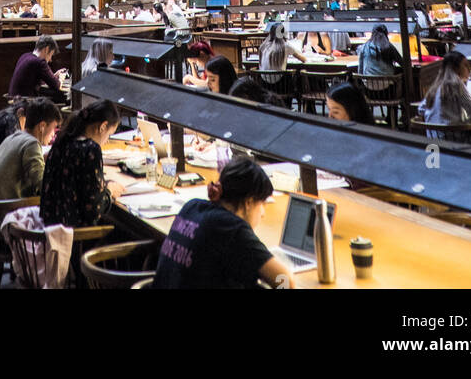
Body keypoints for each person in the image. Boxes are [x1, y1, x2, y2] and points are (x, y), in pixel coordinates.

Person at [152, 156, 294, 290]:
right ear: (249, 202)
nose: (263, 214)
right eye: (262, 203)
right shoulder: (231, 229)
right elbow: (286, 282)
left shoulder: (192, 207)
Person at [40, 98, 124, 227]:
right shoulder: (90, 149)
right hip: (73, 234)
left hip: (51, 226)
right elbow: (94, 210)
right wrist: (110, 191)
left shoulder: (64, 139)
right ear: (102, 127)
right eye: (109, 135)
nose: (107, 141)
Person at [0, 98, 62, 200]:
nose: (54, 134)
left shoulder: (14, 136)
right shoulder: (31, 144)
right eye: (54, 128)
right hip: (4, 210)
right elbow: (43, 184)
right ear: (42, 126)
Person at [418, 51, 471, 127]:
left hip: (433, 136)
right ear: (457, 68)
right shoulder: (457, 85)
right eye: (466, 65)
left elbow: (421, 109)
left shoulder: (437, 84)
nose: (469, 69)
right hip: (453, 136)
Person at [8, 35, 64, 99]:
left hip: (14, 99)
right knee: (60, 96)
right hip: (25, 101)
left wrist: (53, 76)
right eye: (51, 55)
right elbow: (56, 85)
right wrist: (61, 78)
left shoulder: (25, 56)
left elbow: (38, 80)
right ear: (47, 49)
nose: (50, 60)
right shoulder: (39, 62)